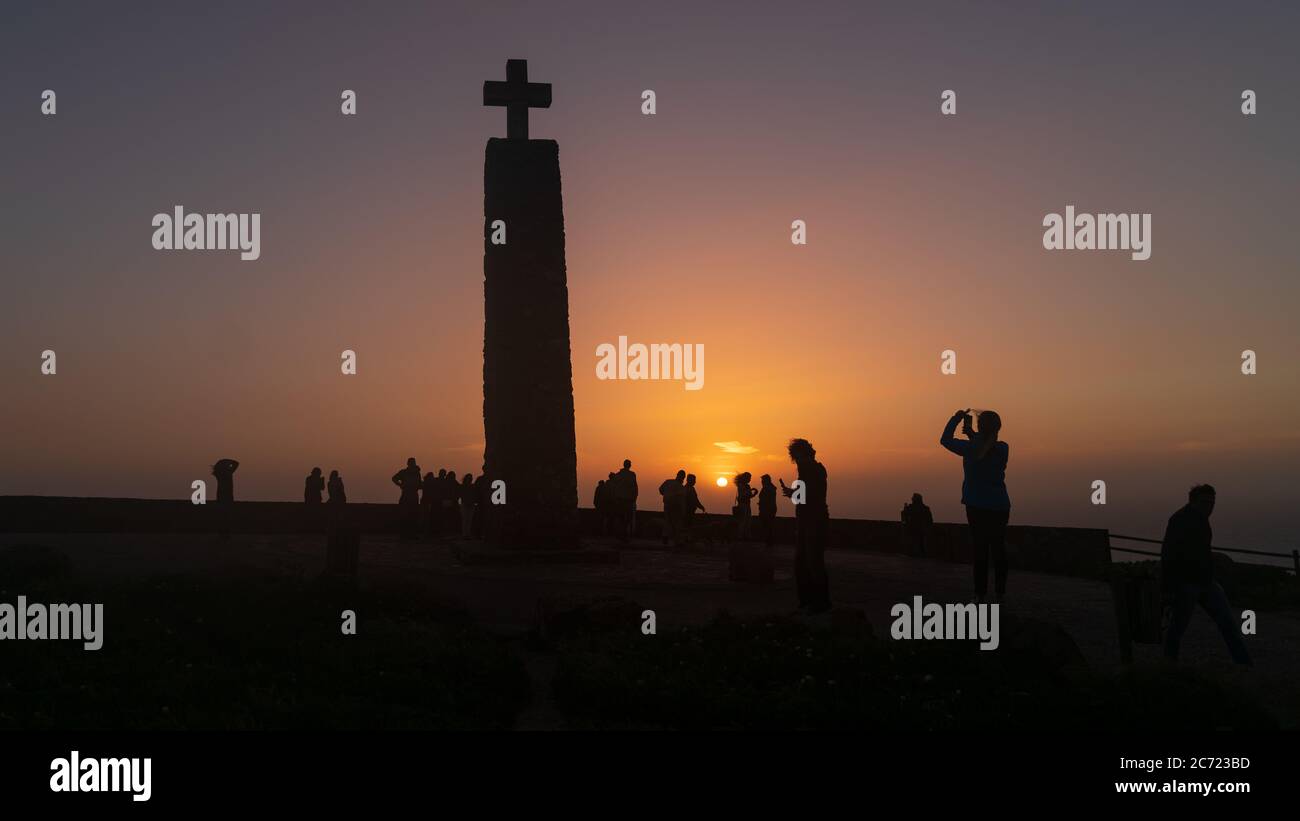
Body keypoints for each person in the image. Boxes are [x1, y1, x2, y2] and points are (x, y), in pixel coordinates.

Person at [1161, 485, 1251, 666]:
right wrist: (1170, 588)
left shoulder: (1200, 519)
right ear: (1192, 501)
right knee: (1178, 627)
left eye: (1212, 503)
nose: (1209, 507)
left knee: (1228, 624)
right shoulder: (1179, 520)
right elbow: (1169, 555)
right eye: (1205, 502)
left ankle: (1244, 664)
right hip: (1187, 584)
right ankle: (1169, 663)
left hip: (1205, 582)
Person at [940, 409, 1011, 603]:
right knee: (998, 549)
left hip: (976, 505)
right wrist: (974, 435)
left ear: (980, 427)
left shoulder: (970, 449)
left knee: (980, 550)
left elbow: (945, 440)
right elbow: (987, 447)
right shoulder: (1003, 448)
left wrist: (956, 418)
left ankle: (980, 595)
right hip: (999, 505)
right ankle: (1000, 593)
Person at [780, 439, 830, 613]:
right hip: (808, 519)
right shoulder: (814, 469)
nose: (796, 461)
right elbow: (804, 495)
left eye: (796, 457)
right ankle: (811, 601)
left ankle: (818, 602)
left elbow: (807, 496)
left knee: (811, 561)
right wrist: (792, 493)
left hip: (813, 520)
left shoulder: (810, 469)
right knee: (805, 561)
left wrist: (792, 493)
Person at [392, 457, 422, 540]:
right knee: (405, 515)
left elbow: (419, 484)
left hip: (413, 495)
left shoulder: (417, 473)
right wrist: (401, 485)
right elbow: (394, 478)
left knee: (413, 515)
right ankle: (404, 534)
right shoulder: (404, 472)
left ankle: (412, 534)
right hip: (406, 495)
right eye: (411, 463)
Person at [211, 458, 239, 539]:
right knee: (226, 515)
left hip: (221, 495)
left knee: (223, 515)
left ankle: (223, 533)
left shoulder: (219, 473)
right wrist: (227, 460)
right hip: (227, 495)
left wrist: (223, 461)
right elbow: (236, 463)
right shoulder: (227, 473)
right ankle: (225, 533)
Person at [611, 459, 638, 543]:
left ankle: (621, 534)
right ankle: (623, 534)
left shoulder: (618, 475)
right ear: (629, 465)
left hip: (621, 499)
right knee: (626, 518)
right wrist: (634, 497)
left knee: (621, 517)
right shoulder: (632, 475)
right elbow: (635, 487)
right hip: (627, 500)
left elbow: (614, 487)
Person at [658, 470, 686, 546]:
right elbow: (681, 500)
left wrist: (666, 494)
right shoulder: (681, 487)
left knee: (667, 521)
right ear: (683, 478)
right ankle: (676, 540)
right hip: (675, 507)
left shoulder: (668, 482)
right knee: (676, 523)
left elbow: (660, 490)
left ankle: (665, 537)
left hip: (667, 504)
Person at [901, 493, 933, 557]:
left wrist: (905, 510)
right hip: (920, 529)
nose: (912, 500)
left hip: (915, 529)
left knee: (915, 543)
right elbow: (930, 520)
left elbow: (904, 517)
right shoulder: (925, 508)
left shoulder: (911, 508)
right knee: (920, 544)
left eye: (913, 499)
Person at [733, 472, 758, 541]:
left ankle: (743, 536)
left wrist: (753, 494)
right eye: (749, 478)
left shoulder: (740, 485)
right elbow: (746, 495)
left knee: (745, 521)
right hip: (744, 505)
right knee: (744, 521)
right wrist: (754, 494)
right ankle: (742, 536)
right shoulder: (744, 486)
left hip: (744, 504)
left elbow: (746, 495)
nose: (750, 479)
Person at [681, 474, 705, 545]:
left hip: (689, 510)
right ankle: (686, 539)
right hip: (687, 510)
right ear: (690, 480)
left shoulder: (689, 488)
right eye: (694, 480)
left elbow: (695, 500)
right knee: (687, 525)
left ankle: (687, 539)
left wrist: (700, 506)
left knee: (688, 525)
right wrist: (701, 506)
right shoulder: (688, 489)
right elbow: (694, 500)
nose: (695, 482)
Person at [758, 474, 778, 548]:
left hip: (768, 509)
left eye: (763, 480)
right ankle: (769, 541)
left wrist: (762, 503)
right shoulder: (769, 488)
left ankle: (769, 541)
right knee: (768, 525)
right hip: (768, 508)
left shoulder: (768, 488)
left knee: (768, 525)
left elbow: (767, 499)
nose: (762, 482)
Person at [421, 471, 440, 536]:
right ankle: (426, 532)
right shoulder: (429, 483)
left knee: (426, 517)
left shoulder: (425, 483)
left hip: (426, 501)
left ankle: (426, 532)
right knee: (427, 517)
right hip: (427, 502)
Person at [459, 473, 477, 538]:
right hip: (465, 504)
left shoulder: (473, 486)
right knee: (465, 519)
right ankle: (464, 534)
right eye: (469, 478)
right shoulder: (463, 486)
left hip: (471, 504)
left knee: (469, 520)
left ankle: (467, 534)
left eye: (471, 478)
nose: (470, 479)